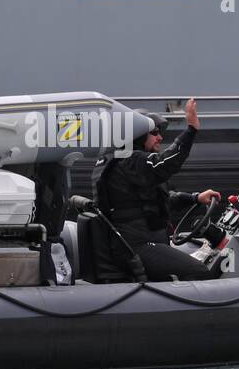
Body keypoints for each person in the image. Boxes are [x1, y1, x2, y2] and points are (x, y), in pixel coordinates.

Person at [92, 98, 223, 282]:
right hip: (137, 246)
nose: (160, 137)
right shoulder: (130, 160)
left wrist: (194, 198)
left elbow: (153, 202)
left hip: (129, 244)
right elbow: (164, 163)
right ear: (136, 135)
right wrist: (191, 130)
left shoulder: (119, 161)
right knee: (201, 272)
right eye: (154, 132)